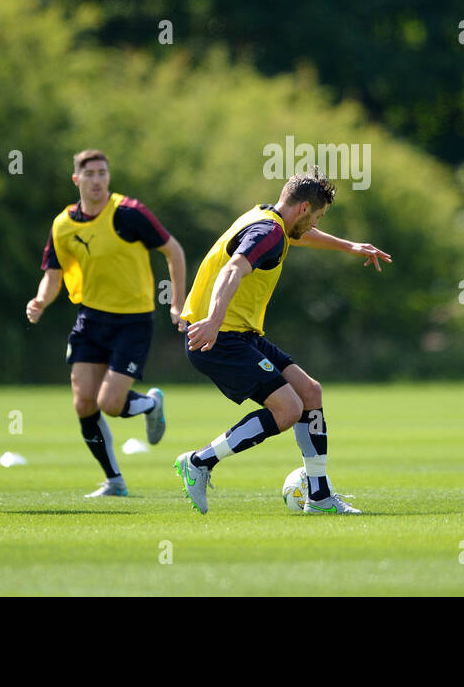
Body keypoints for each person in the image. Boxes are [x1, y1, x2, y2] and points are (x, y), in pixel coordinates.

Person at [172, 169, 391, 515]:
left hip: (240, 334)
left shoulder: (268, 218)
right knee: (288, 410)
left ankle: (318, 497)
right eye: (317, 216)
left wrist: (348, 246)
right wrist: (213, 320)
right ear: (304, 208)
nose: (316, 223)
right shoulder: (268, 231)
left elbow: (299, 237)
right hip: (219, 337)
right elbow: (232, 269)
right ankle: (199, 462)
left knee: (310, 393)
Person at [26, 149, 186, 497]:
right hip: (90, 320)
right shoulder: (63, 225)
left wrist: (177, 304)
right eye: (90, 174)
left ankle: (150, 404)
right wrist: (40, 301)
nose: (97, 180)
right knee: (84, 403)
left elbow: (174, 251)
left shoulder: (129, 213)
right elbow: (52, 277)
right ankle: (114, 481)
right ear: (77, 180)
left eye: (102, 173)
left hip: (133, 322)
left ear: (108, 178)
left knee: (111, 404)